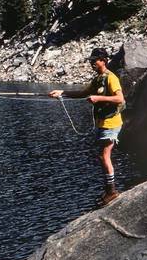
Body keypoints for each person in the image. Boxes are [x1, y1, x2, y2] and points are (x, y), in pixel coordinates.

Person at [49, 47, 126, 206]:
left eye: (94, 61)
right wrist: (62, 92)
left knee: (104, 156)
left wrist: (98, 98)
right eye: (91, 61)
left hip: (111, 123)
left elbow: (120, 99)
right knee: (102, 156)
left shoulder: (111, 78)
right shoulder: (98, 78)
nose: (92, 64)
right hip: (102, 123)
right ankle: (109, 190)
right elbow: (83, 93)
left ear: (103, 61)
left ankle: (111, 192)